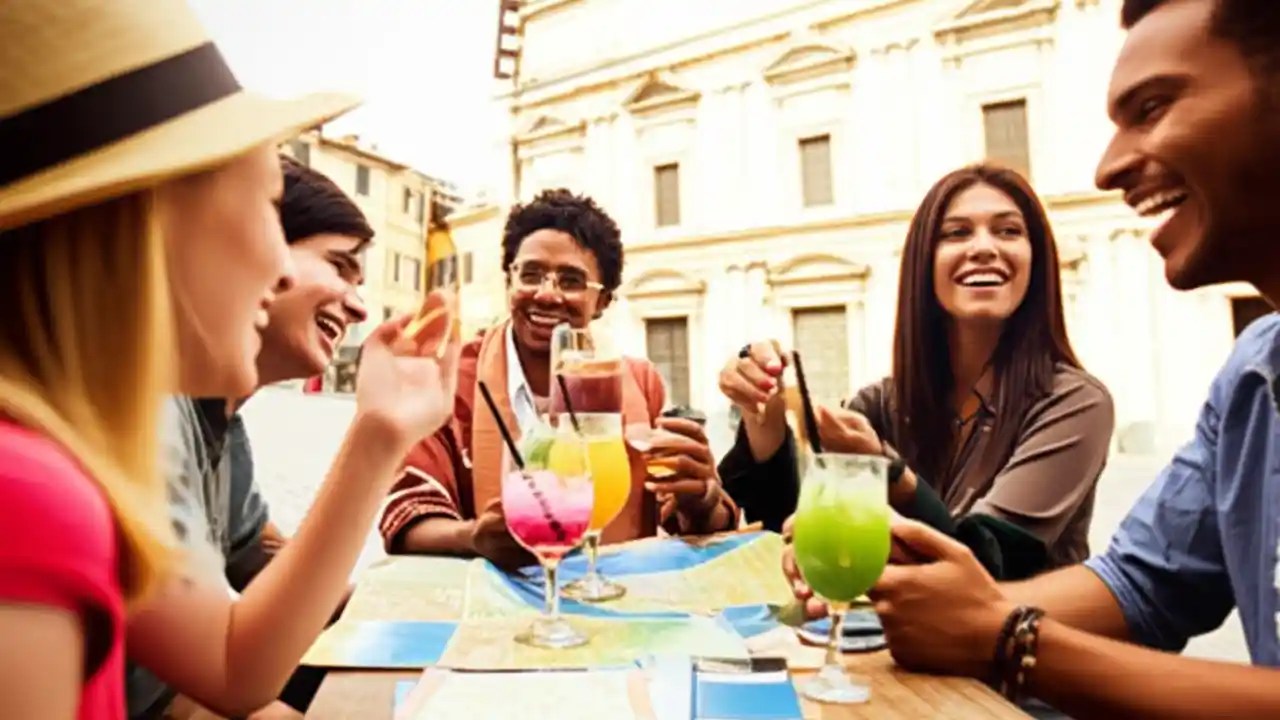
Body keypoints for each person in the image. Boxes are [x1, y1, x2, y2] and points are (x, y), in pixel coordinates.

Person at [0, 2, 461, 719]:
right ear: (153, 218)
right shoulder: (31, 498)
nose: (277, 267)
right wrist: (379, 436)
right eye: (268, 204)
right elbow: (228, 664)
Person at [848, 1, 1280, 717]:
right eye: (954, 233)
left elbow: (1004, 580)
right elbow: (1143, 582)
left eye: (1153, 107)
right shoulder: (1251, 376)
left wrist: (1003, 633)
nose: (1108, 168)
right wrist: (931, 609)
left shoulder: (1074, 398)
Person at [723, 164, 1114, 580]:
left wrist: (885, 468)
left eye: (1008, 231)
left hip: (1019, 642)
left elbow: (987, 562)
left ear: (1036, 260)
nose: (984, 247)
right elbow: (791, 527)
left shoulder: (1074, 403)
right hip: (885, 642)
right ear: (922, 264)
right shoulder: (880, 405)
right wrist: (762, 411)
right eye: (957, 233)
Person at [125, 156, 374, 720]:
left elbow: (273, 569)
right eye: (340, 266)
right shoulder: (146, 411)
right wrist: (377, 434)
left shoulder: (222, 424)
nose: (360, 306)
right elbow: (221, 674)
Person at [380, 188, 738, 570]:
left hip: (614, 609)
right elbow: (408, 520)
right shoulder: (453, 381)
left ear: (603, 302)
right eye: (530, 275)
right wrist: (474, 538)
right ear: (509, 283)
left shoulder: (637, 383)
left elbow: (691, 521)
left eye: (570, 281)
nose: (547, 295)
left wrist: (701, 499)